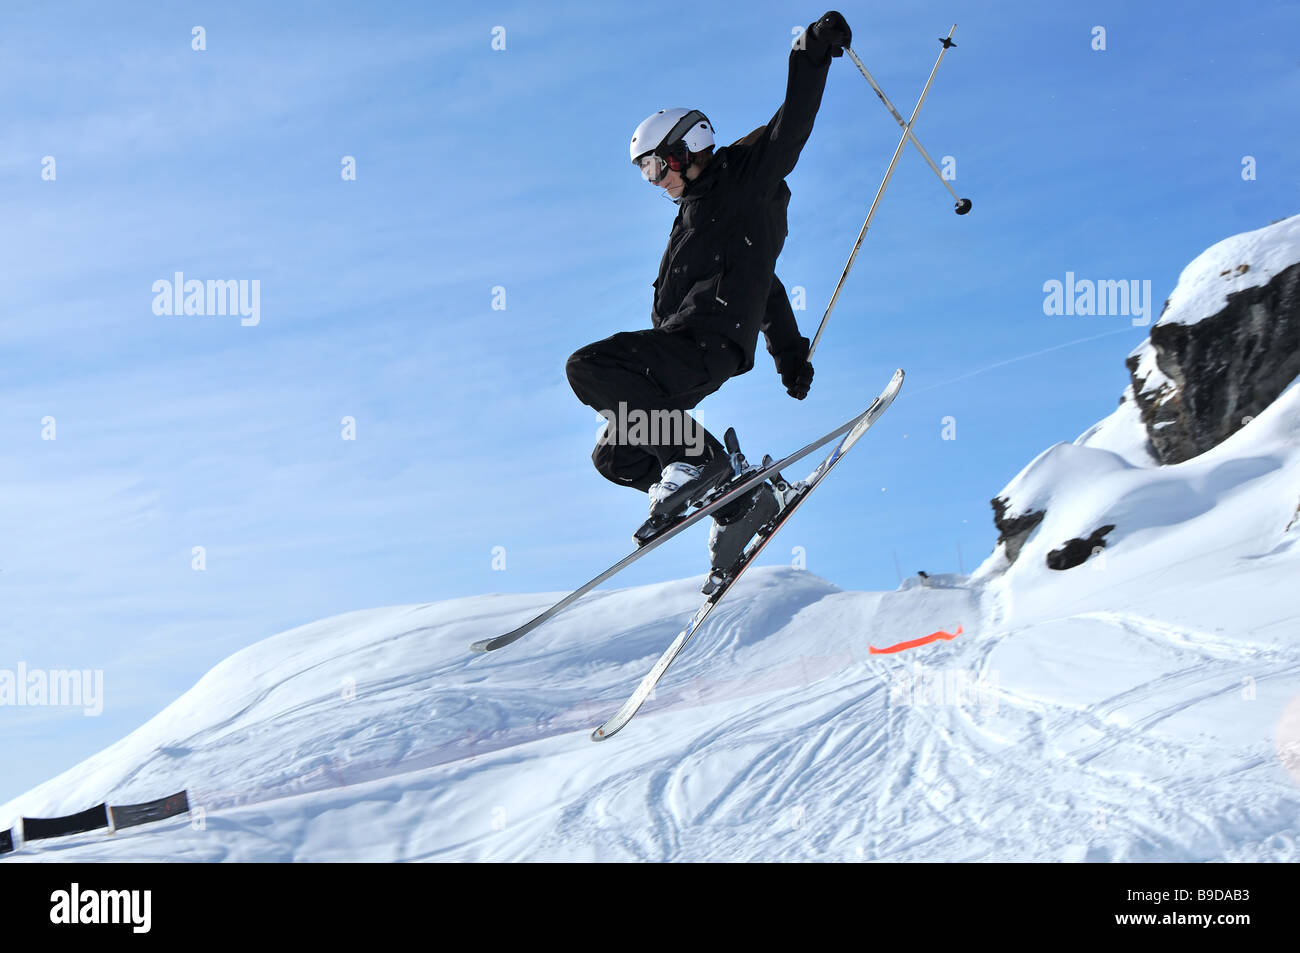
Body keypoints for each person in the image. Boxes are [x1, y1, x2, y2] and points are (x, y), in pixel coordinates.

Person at [566, 11, 853, 577]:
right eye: (645, 173)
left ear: (685, 147)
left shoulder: (742, 180)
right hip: (685, 350)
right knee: (615, 454)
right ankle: (741, 500)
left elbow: (790, 127)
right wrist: (791, 358)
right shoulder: (699, 217)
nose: (655, 180)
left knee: (588, 367)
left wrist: (810, 54)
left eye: (656, 165)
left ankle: (699, 461)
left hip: (704, 344)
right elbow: (765, 287)